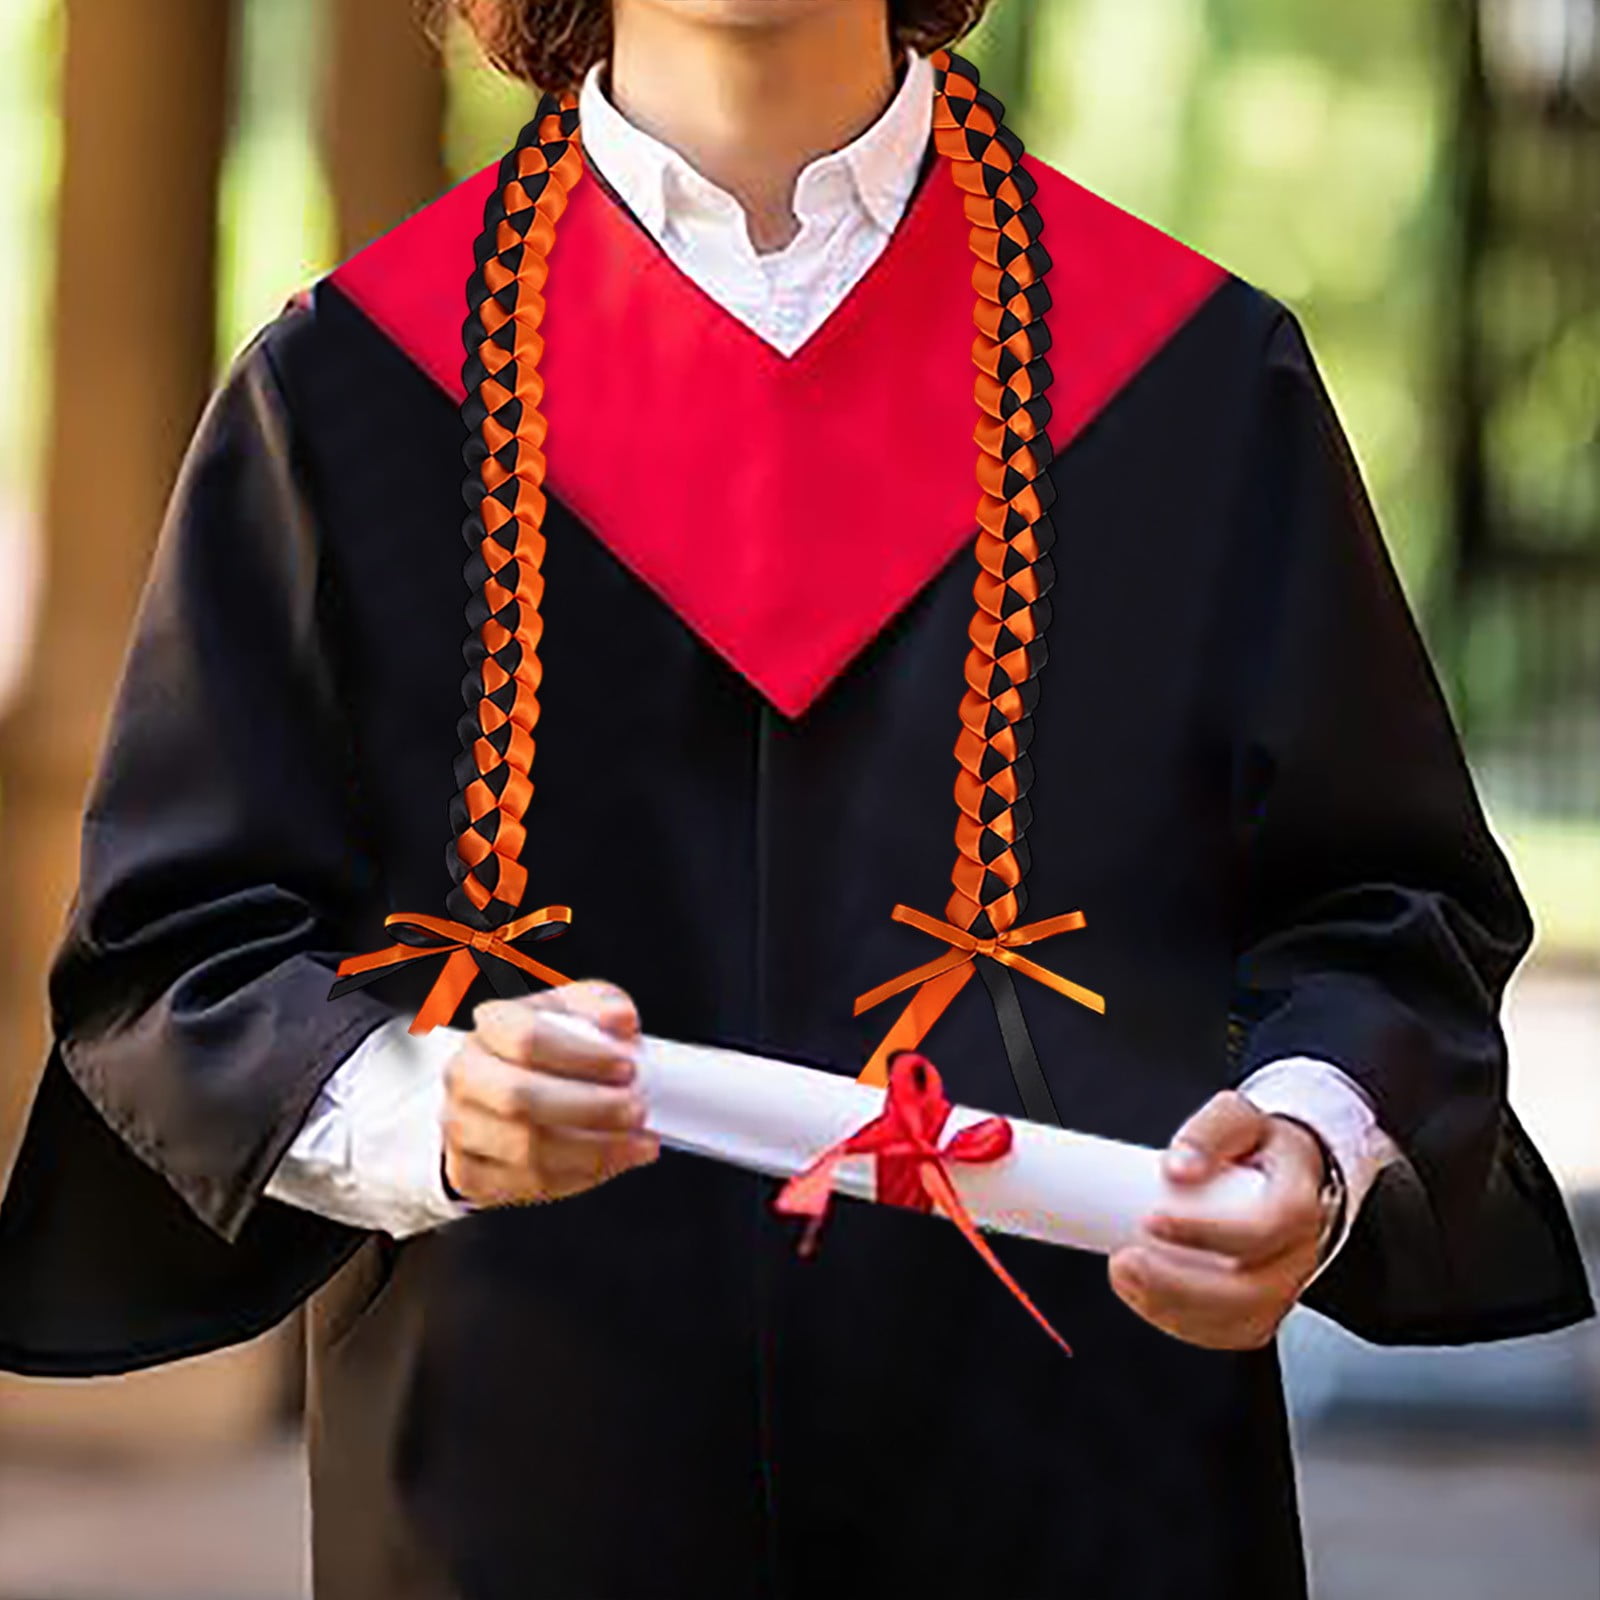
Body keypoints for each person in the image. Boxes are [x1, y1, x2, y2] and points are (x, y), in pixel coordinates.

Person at [0, 1, 1591, 1596]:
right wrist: (426, 1114)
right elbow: (174, 954)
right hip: (528, 1498)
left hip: (1091, 1492)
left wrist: (1308, 1149)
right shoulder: (351, 394)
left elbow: (1385, 909)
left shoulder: (1185, 381)